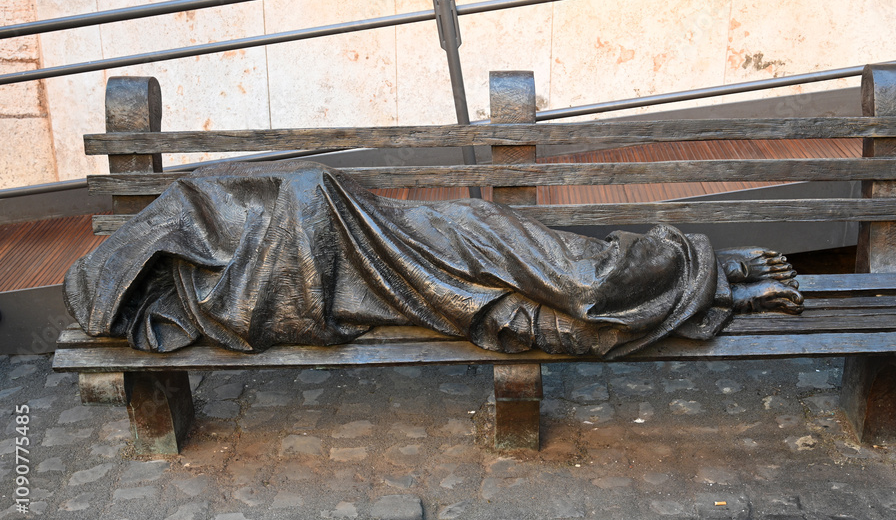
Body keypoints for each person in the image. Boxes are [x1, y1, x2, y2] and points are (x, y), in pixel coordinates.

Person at [64, 161, 802, 359]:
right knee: (545, 329)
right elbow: (285, 314)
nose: (135, 301)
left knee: (585, 278)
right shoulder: (209, 309)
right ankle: (716, 299)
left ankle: (703, 266)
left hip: (427, 236)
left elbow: (312, 196)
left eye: (125, 284)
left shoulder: (204, 209)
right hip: (398, 297)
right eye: (129, 302)